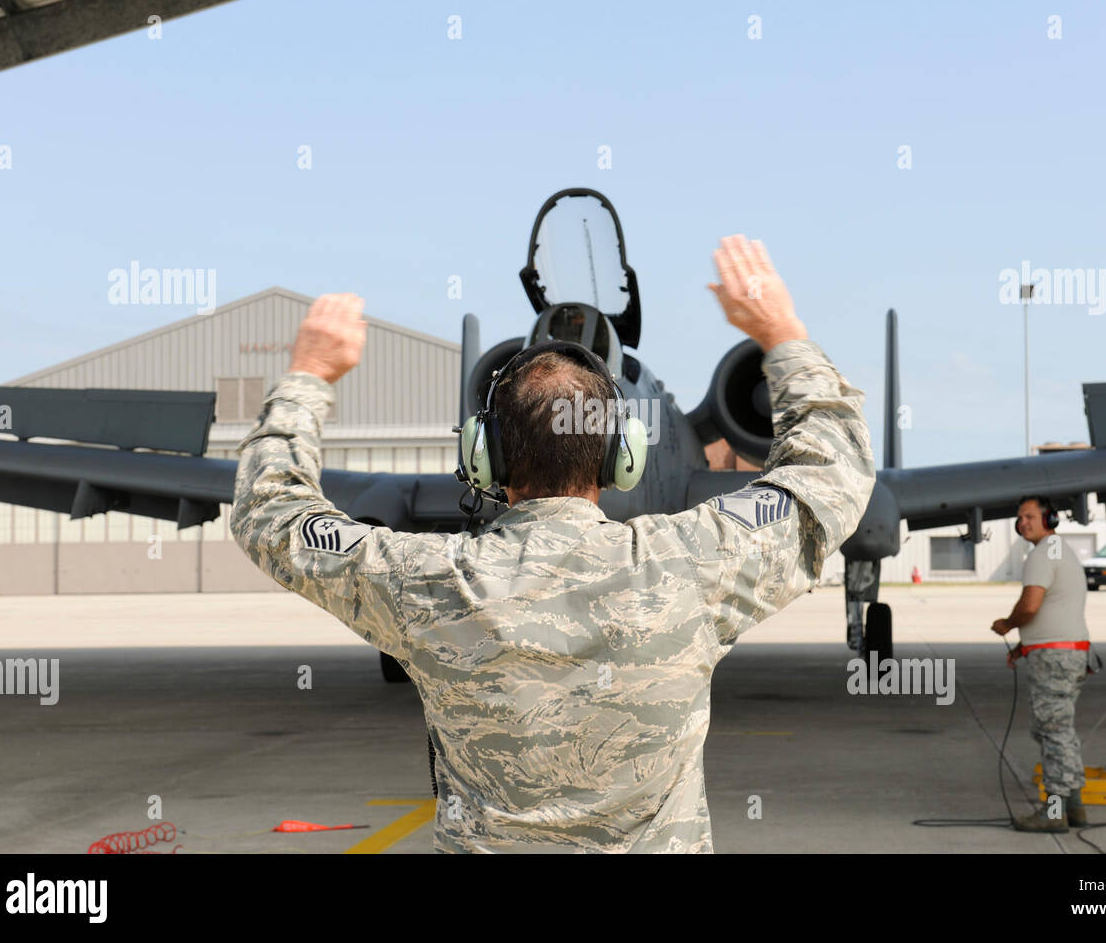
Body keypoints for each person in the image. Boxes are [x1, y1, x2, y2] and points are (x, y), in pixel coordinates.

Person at [230, 235, 876, 852]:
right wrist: (779, 332)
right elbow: (832, 476)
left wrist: (309, 375)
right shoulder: (693, 567)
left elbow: (269, 513)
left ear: (484, 460)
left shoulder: (423, 583)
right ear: (622, 457)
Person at [991, 495, 1091, 833]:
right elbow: (1054, 611)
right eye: (1019, 518)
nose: (1023, 523)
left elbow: (1031, 605)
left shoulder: (1041, 555)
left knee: (1053, 732)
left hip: (1054, 656)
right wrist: (1023, 646)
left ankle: (1055, 810)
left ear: (1049, 518)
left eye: (1030, 516)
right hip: (1066, 652)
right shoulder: (1060, 550)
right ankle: (1074, 806)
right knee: (1061, 730)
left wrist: (1007, 624)